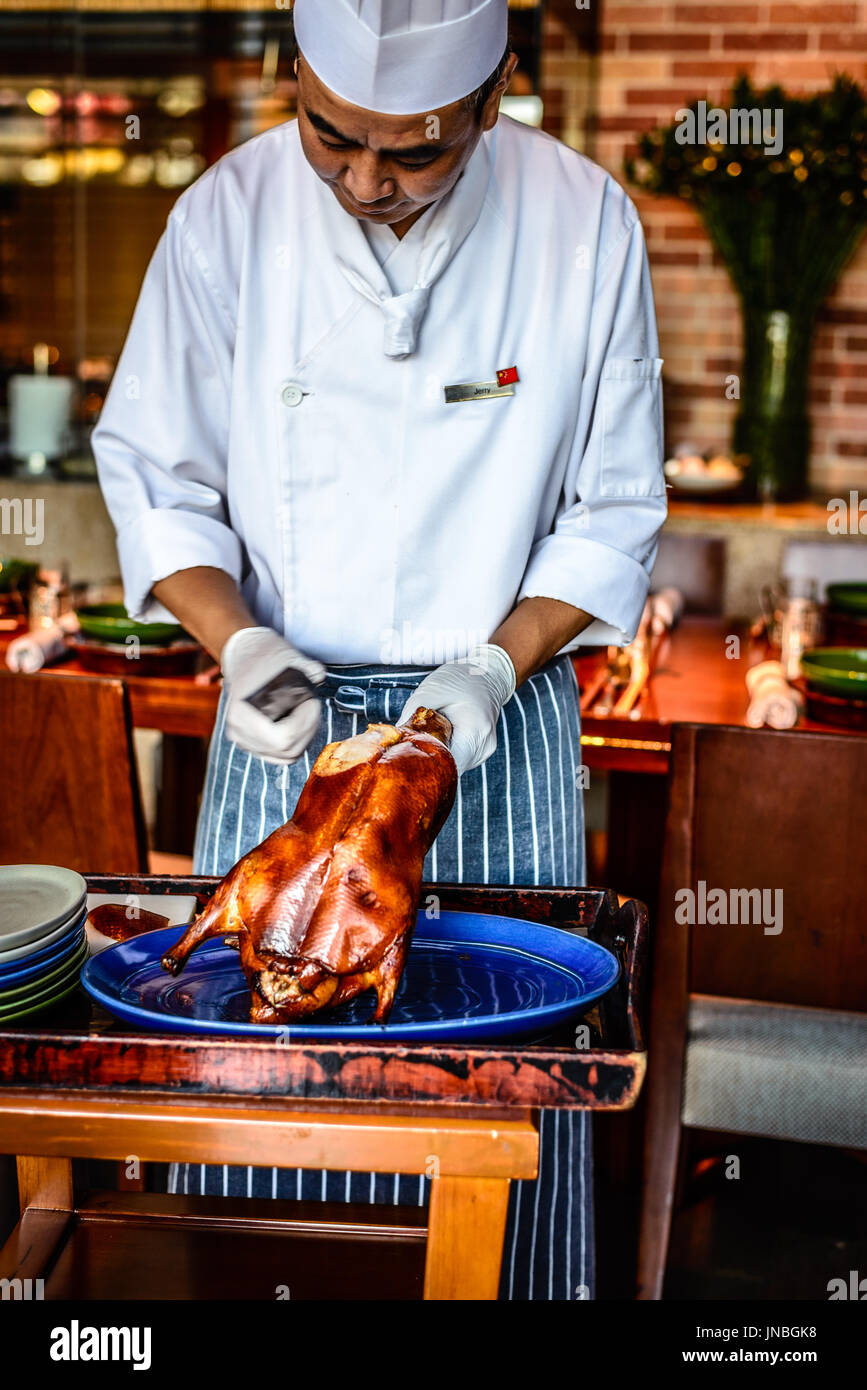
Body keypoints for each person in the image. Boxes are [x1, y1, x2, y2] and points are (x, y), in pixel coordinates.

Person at [93, 0, 666, 1300]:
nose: (363, 180)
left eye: (412, 153)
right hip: (284, 724)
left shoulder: (585, 226)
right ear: (292, 82)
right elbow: (155, 481)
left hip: (496, 725)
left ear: (495, 94)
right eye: (329, 135)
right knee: (270, 1104)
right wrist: (238, 645)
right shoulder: (225, 219)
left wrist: (485, 670)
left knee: (498, 1112)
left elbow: (615, 508)